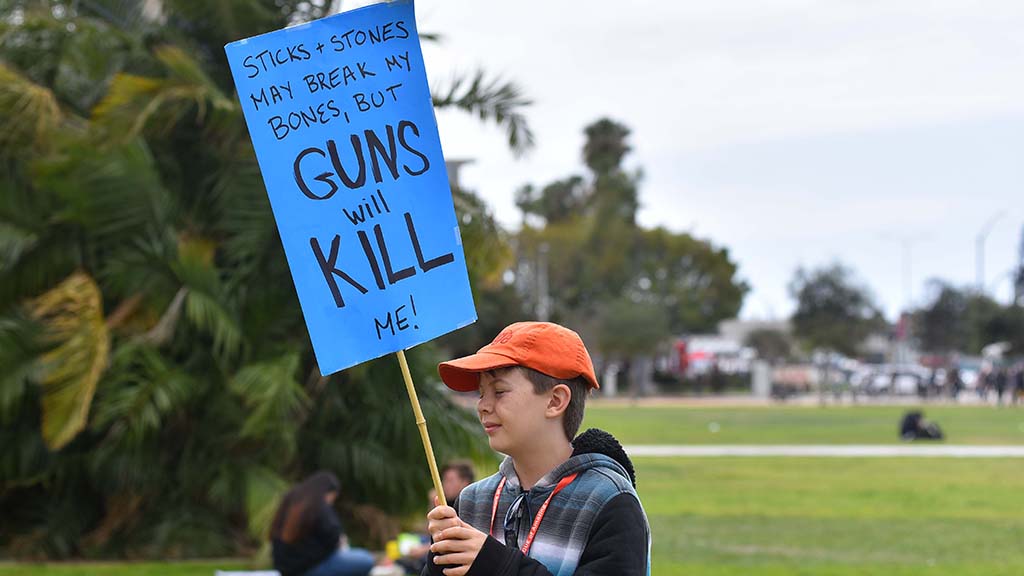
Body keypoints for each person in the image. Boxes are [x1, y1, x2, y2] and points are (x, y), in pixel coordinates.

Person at [422, 321, 651, 576]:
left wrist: (497, 565)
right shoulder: (472, 501)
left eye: (499, 391)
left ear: (555, 401)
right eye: (480, 393)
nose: (483, 406)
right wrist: (440, 560)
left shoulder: (609, 503)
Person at [271, 471, 375, 576]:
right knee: (365, 559)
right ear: (328, 492)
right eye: (332, 498)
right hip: (310, 568)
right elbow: (333, 535)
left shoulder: (291, 499)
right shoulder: (318, 504)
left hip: (286, 570)